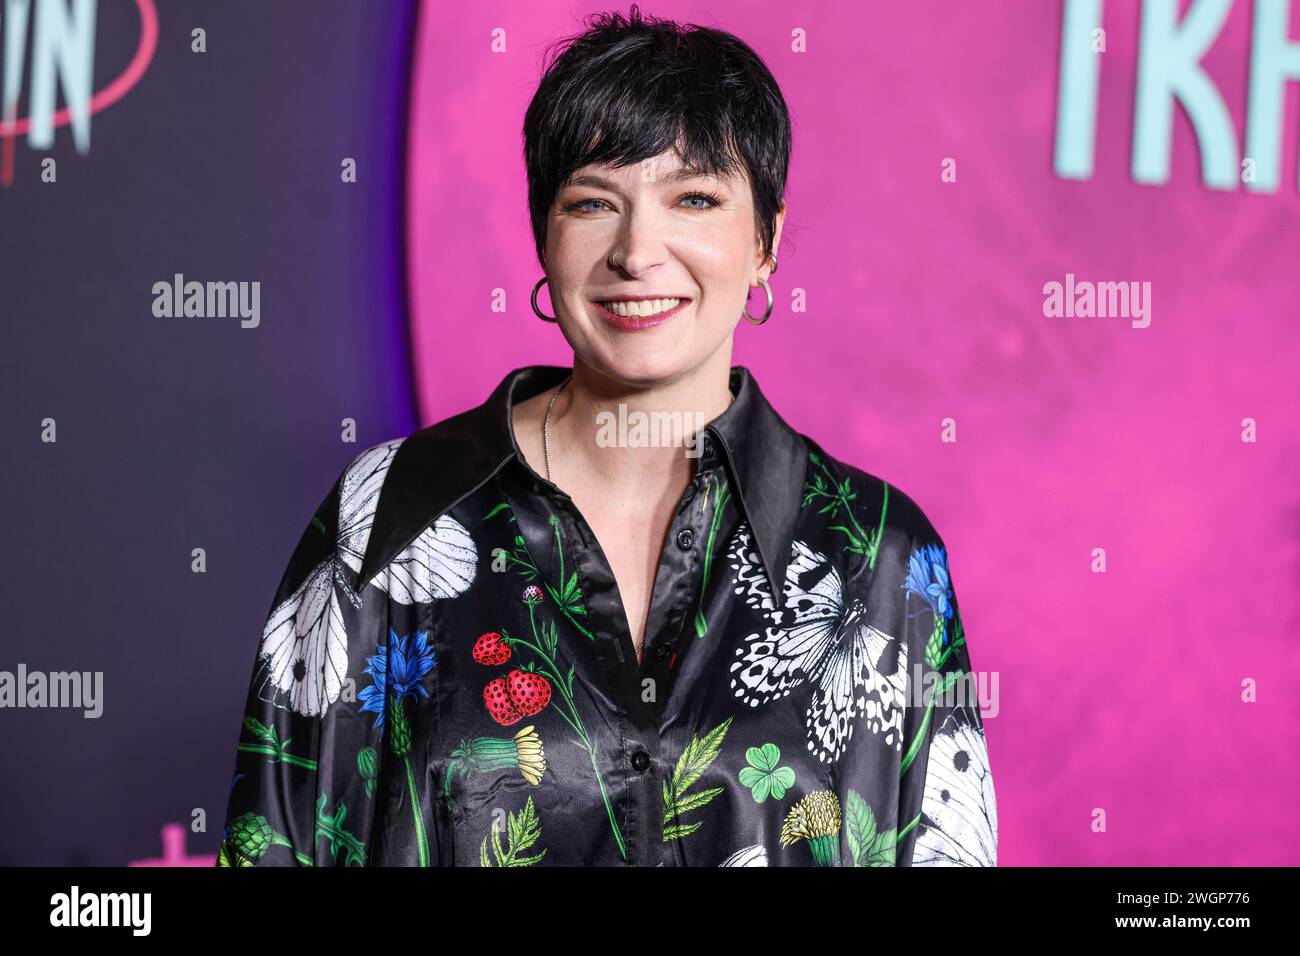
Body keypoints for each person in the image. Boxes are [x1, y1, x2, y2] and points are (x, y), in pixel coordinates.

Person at [216, 3, 996, 867]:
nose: (638, 250)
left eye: (694, 199)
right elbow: (275, 843)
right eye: (594, 203)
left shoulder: (879, 554)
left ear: (766, 242)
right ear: (544, 236)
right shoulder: (393, 513)